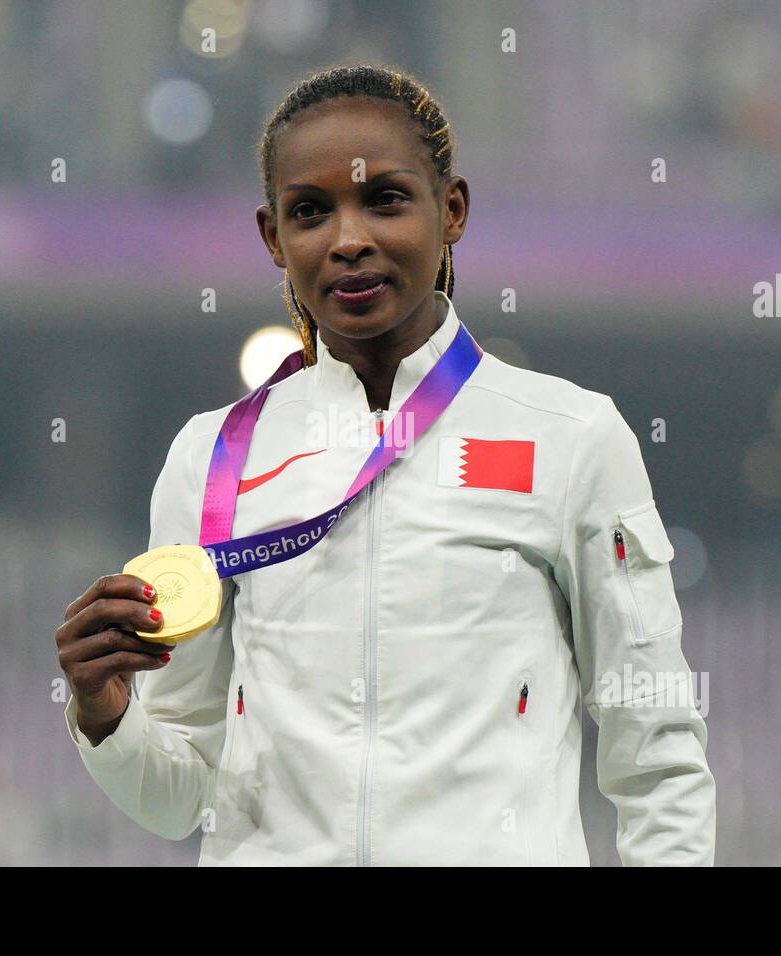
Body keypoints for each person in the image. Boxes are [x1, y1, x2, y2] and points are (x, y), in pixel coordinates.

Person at [55, 64, 716, 866]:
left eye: (386, 199)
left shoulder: (571, 437)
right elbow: (181, 797)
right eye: (310, 211)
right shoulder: (214, 457)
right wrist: (105, 713)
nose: (348, 238)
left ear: (454, 210)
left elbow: (656, 754)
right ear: (273, 238)